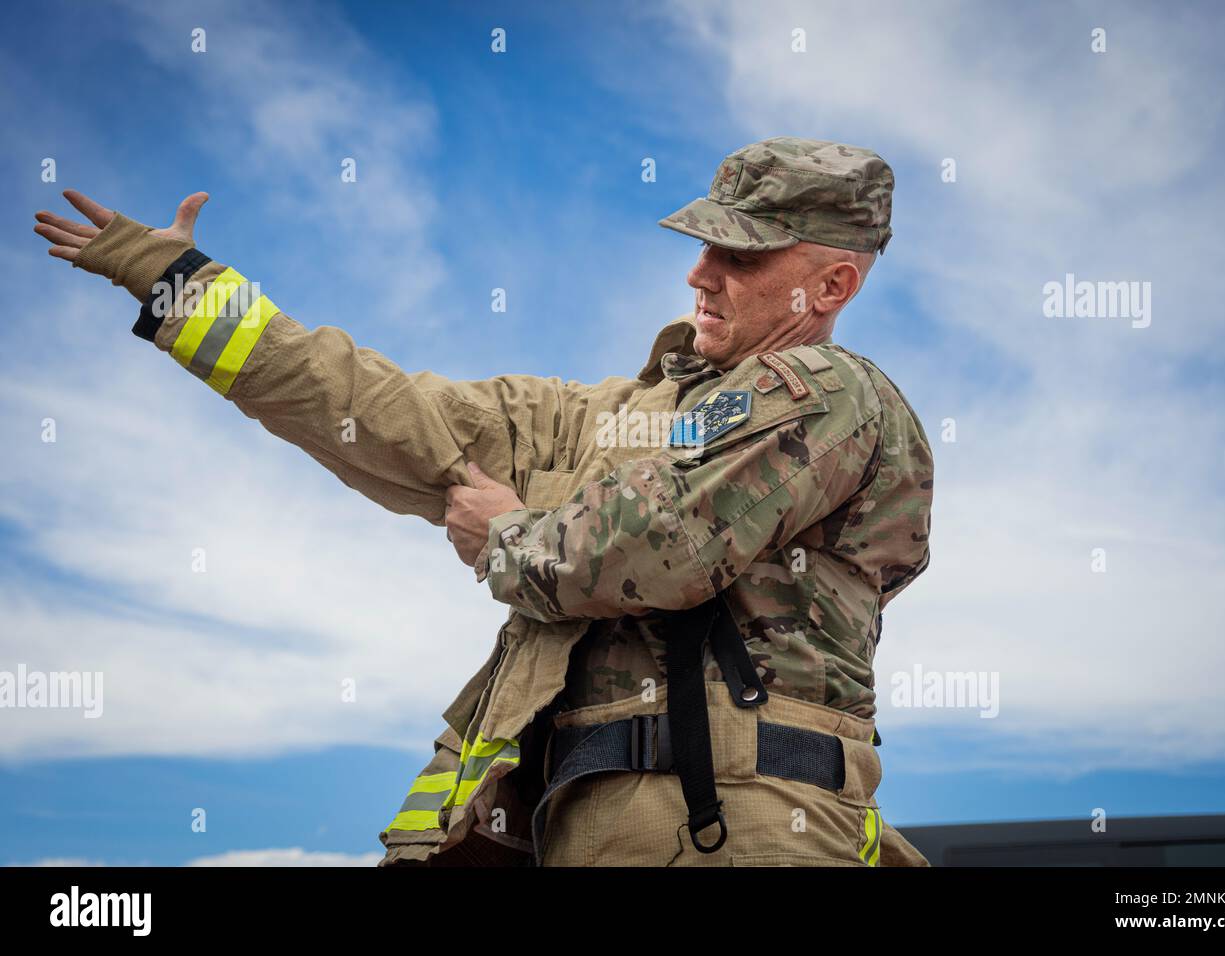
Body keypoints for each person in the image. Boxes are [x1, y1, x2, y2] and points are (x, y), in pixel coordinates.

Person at [34, 136, 933, 867]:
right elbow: (376, 407)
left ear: (834, 284)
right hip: (571, 825)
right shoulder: (605, 420)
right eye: (702, 246)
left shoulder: (828, 389)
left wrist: (505, 534)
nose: (700, 274)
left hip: (741, 830)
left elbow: (653, 551)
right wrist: (174, 283)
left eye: (738, 254)